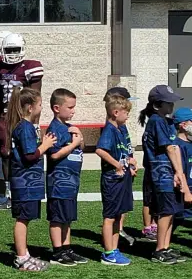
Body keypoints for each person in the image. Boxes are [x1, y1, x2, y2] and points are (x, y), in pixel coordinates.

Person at [0, 32, 43, 209]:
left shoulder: (31, 67)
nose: (11, 53)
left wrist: (35, 123)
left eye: (14, 49)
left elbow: (35, 98)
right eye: (8, 49)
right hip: (4, 115)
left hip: (23, 117)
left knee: (24, 153)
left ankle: (22, 189)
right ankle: (7, 193)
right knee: (5, 154)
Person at [139, 85, 190, 264]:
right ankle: (159, 249)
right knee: (165, 212)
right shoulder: (157, 121)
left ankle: (166, 247)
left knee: (171, 212)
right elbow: (169, 148)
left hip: (168, 173)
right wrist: (179, 172)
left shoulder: (164, 121)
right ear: (157, 105)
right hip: (162, 174)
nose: (171, 106)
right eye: (168, 103)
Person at [8, 87, 56, 271]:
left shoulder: (25, 127)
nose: (42, 108)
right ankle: (21, 257)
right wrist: (45, 145)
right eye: (40, 104)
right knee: (22, 219)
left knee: (25, 218)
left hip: (28, 181)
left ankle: (25, 254)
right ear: (30, 108)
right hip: (24, 181)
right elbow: (30, 155)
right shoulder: (25, 128)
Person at [45, 88, 87, 266]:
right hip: (59, 182)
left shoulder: (69, 128)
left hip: (71, 182)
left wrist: (80, 138)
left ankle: (67, 247)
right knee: (57, 218)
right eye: (70, 107)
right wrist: (74, 143)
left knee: (67, 217)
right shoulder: (54, 129)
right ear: (56, 108)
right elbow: (54, 155)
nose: (73, 111)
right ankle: (57, 251)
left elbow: (80, 148)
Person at [95, 94, 136, 265]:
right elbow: (100, 150)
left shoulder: (121, 129)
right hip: (112, 180)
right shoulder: (109, 130)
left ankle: (114, 249)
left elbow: (124, 151)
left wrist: (130, 162)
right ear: (115, 112)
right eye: (126, 113)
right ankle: (108, 252)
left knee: (119, 215)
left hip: (122, 179)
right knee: (110, 216)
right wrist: (117, 165)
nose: (128, 116)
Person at [173, 108, 192, 222]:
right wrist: (186, 191)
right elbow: (181, 170)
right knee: (175, 218)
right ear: (183, 125)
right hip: (185, 190)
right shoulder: (178, 145)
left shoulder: (190, 143)